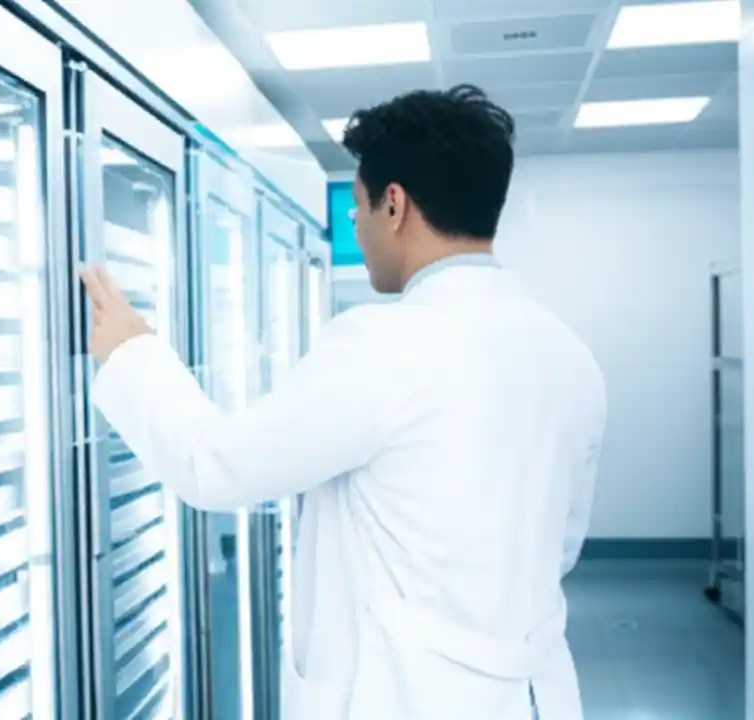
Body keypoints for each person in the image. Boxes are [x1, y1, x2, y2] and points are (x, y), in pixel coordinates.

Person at [81, 84, 606, 719]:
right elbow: (559, 546)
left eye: (356, 205)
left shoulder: (385, 344)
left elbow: (215, 466)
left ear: (394, 205)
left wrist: (133, 354)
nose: (353, 224)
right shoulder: (568, 354)